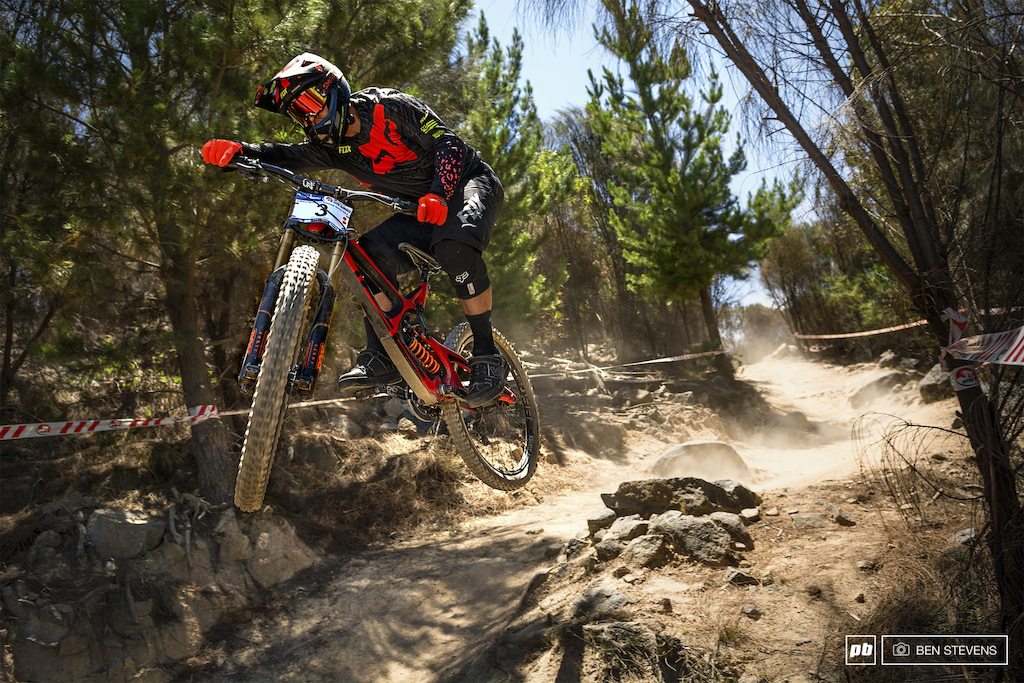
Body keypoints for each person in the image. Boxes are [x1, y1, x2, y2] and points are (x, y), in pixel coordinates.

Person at [202, 53, 506, 408]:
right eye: (299, 113)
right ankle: (383, 355)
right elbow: (287, 155)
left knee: (454, 247)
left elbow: (448, 144)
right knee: (366, 258)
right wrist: (241, 151)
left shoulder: (387, 107)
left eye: (310, 103)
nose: (309, 117)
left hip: (468, 183)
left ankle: (487, 356)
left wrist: (440, 192)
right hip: (421, 207)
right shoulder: (333, 149)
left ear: (334, 90)